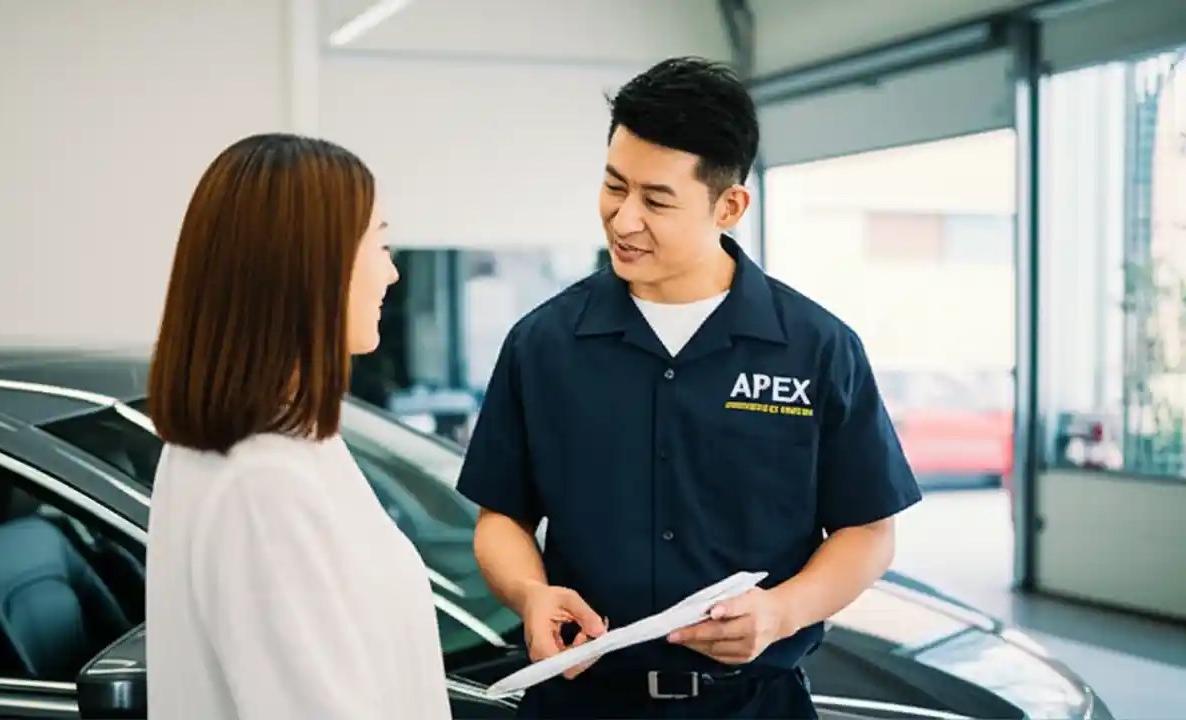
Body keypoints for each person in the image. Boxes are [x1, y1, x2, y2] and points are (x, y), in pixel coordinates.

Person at [456, 57, 923, 719]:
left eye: (657, 200)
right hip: (580, 703)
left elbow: (869, 531)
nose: (623, 219)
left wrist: (783, 612)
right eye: (614, 186)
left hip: (755, 707)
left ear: (729, 205)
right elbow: (500, 516)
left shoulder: (816, 349)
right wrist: (530, 593)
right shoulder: (544, 345)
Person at [144, 133, 451, 720]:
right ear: (313, 264)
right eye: (379, 245)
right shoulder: (262, 484)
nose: (390, 274)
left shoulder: (279, 443)